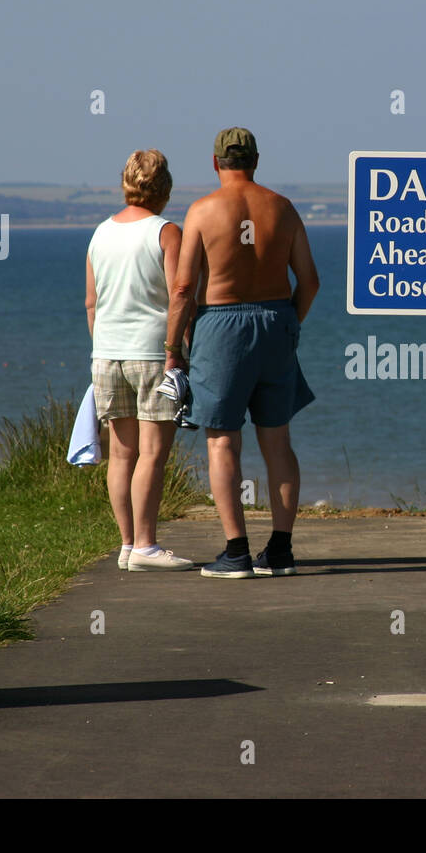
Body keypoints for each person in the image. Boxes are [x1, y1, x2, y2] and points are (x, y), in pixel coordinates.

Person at [167, 128, 320, 579]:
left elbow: (181, 289)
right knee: (278, 441)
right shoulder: (283, 208)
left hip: (221, 325)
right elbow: (309, 282)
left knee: (222, 439)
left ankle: (236, 551)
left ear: (215, 163)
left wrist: (173, 349)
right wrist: (289, 323)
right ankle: (281, 549)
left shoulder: (202, 211)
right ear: (256, 160)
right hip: (276, 321)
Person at [85, 149, 194, 571]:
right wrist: (180, 350)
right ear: (164, 189)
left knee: (122, 454)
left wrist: (104, 345)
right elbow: (179, 294)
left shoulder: (100, 233)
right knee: (153, 453)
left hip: (107, 354)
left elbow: (92, 302)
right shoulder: (166, 233)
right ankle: (147, 545)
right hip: (153, 353)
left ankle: (128, 544)